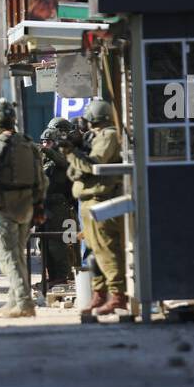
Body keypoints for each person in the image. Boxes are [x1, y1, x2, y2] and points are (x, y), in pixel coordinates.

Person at [0, 99, 45, 318]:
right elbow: (41, 179)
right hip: (26, 207)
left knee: (9, 258)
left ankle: (25, 303)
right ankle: (13, 301)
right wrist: (39, 203)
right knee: (18, 255)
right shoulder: (28, 144)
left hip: (3, 208)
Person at [61, 98, 127, 315]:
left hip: (102, 199)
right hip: (89, 201)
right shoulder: (95, 136)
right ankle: (99, 293)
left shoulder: (108, 136)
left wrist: (72, 153)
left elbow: (93, 164)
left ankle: (117, 295)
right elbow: (77, 170)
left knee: (106, 249)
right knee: (94, 252)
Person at [39, 118, 79, 291]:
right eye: (44, 141)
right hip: (45, 204)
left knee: (58, 244)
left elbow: (66, 164)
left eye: (48, 141)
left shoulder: (67, 151)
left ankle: (62, 277)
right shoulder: (46, 156)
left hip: (60, 205)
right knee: (44, 244)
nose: (45, 144)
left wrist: (47, 151)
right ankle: (52, 276)